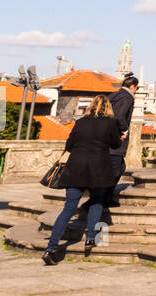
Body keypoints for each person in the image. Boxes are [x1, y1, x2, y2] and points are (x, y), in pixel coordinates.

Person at [42, 96, 121, 264]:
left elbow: (69, 145)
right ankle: (91, 238)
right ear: (108, 108)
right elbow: (115, 145)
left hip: (75, 168)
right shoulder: (111, 123)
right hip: (99, 169)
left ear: (91, 106)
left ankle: (51, 248)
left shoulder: (80, 122)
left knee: (68, 209)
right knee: (96, 201)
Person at [105, 74, 139, 207]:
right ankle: (103, 198)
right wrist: (124, 130)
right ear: (132, 87)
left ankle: (103, 196)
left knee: (118, 167)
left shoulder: (114, 95)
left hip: (107, 136)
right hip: (117, 139)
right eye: (136, 88)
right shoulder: (128, 97)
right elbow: (120, 116)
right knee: (116, 168)